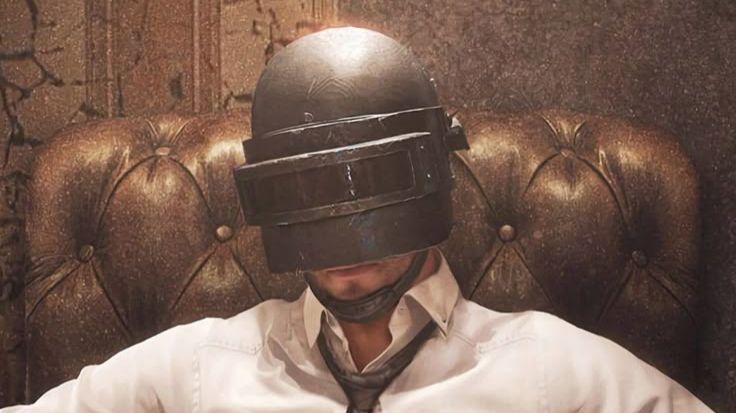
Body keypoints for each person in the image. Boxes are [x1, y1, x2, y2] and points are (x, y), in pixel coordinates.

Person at [2, 27, 713, 413]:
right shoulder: (196, 367)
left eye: (369, 181)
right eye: (308, 188)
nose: (345, 238)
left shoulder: (555, 371)